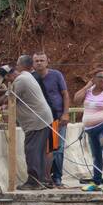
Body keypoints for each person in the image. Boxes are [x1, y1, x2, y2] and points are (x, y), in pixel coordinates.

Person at [0, 56, 53, 189]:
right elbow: (10, 91)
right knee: (38, 151)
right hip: (41, 119)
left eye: (6, 80)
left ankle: (34, 182)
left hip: (36, 121)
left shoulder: (21, 81)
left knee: (31, 150)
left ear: (10, 75)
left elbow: (4, 100)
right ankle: (43, 180)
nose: (7, 82)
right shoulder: (25, 76)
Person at [73, 68, 103, 191]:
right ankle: (96, 181)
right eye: (100, 77)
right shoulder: (88, 91)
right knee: (96, 155)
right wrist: (87, 86)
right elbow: (76, 100)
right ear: (93, 78)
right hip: (91, 129)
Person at [32, 52, 69, 188]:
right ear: (33, 63)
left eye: (42, 60)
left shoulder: (56, 75)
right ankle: (44, 178)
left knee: (57, 149)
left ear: (47, 61)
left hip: (57, 117)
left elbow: (65, 94)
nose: (40, 63)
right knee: (44, 150)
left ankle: (57, 177)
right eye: (37, 61)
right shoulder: (31, 78)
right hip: (40, 120)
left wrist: (65, 113)